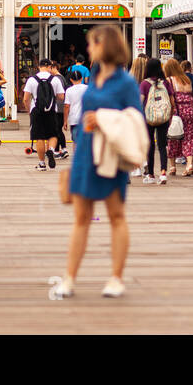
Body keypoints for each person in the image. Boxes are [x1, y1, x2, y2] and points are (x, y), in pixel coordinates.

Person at [56, 24, 138, 299]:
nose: (88, 48)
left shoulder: (125, 82)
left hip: (110, 154)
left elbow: (135, 120)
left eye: (93, 43)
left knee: (116, 215)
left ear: (105, 45)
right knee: (81, 217)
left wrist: (103, 118)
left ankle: (116, 277)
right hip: (86, 152)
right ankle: (69, 278)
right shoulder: (96, 75)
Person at [23, 59, 65, 170]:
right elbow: (61, 97)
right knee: (53, 135)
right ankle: (51, 150)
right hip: (51, 111)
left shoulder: (32, 80)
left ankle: (42, 163)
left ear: (39, 66)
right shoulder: (55, 80)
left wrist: (29, 111)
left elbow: (26, 99)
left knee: (39, 137)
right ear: (49, 67)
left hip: (36, 111)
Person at [139, 58, 174, 184]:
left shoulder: (144, 84)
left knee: (150, 145)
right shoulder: (165, 83)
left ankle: (151, 174)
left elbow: (140, 101)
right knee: (162, 145)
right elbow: (171, 100)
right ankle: (163, 172)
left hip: (148, 118)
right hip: (163, 116)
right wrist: (170, 116)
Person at [164, 58, 193, 177]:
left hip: (177, 112)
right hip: (190, 110)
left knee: (172, 137)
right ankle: (189, 165)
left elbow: (171, 98)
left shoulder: (169, 80)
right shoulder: (186, 79)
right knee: (189, 137)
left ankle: (172, 166)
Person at [49, 61, 70, 160]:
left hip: (58, 107)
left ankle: (61, 150)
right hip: (61, 107)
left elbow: (58, 94)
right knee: (57, 129)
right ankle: (59, 149)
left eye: (49, 68)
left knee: (56, 129)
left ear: (53, 67)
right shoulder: (62, 78)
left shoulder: (57, 78)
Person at [65, 66, 88, 146]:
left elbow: (67, 106)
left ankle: (76, 157)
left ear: (71, 80)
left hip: (74, 119)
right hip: (86, 118)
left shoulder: (69, 90)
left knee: (75, 141)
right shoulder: (87, 88)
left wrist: (65, 121)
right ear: (82, 79)